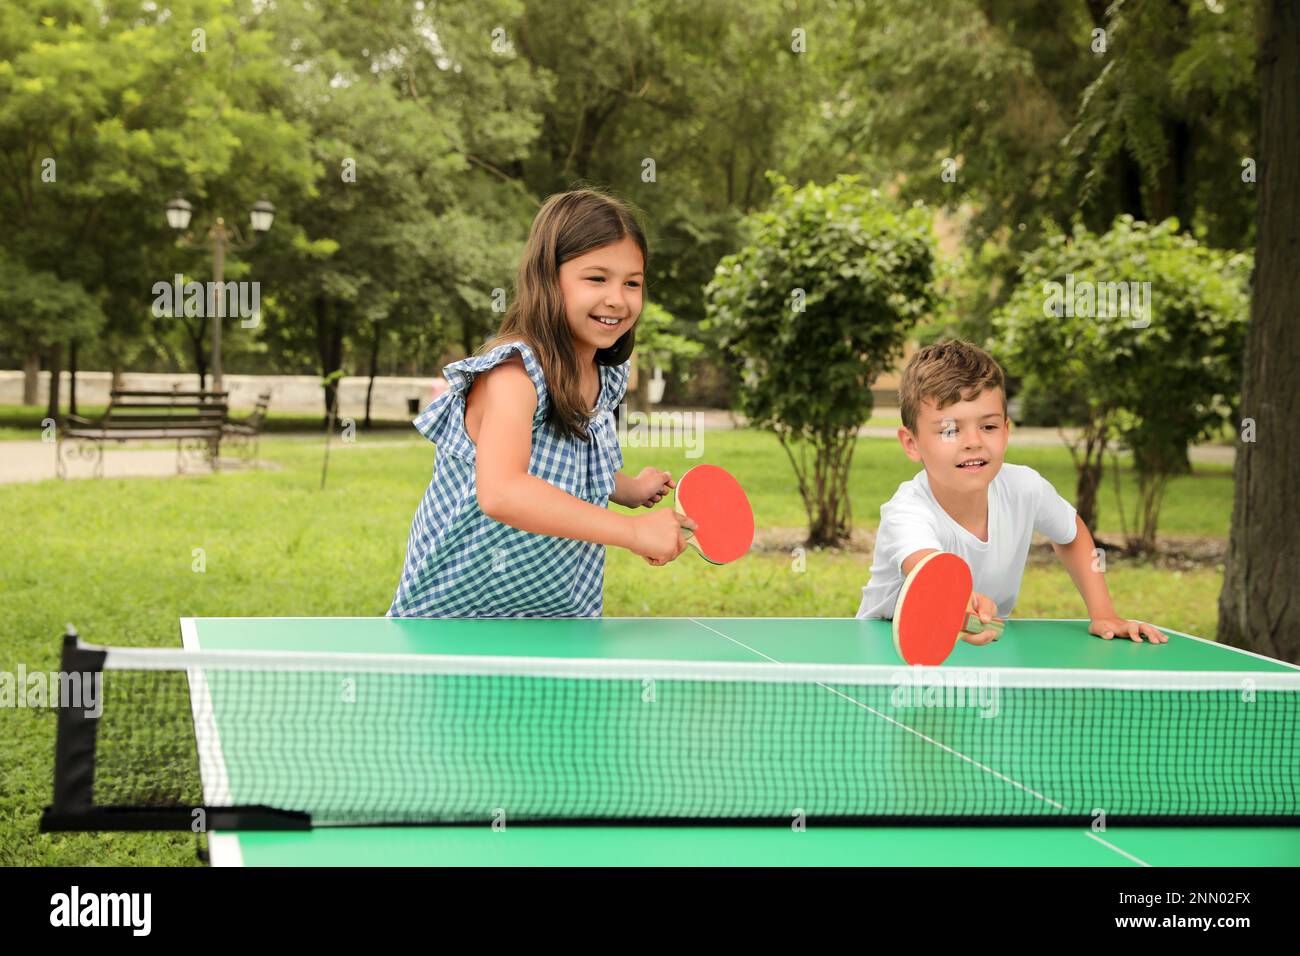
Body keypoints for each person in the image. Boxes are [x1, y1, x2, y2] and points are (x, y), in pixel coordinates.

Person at [389, 189, 693, 618]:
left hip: (555, 615)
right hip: (457, 620)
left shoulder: (603, 376)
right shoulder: (512, 377)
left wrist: (630, 490)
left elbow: (578, 467)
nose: (617, 299)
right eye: (596, 278)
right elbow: (503, 491)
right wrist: (632, 532)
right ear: (548, 279)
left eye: (632, 283)